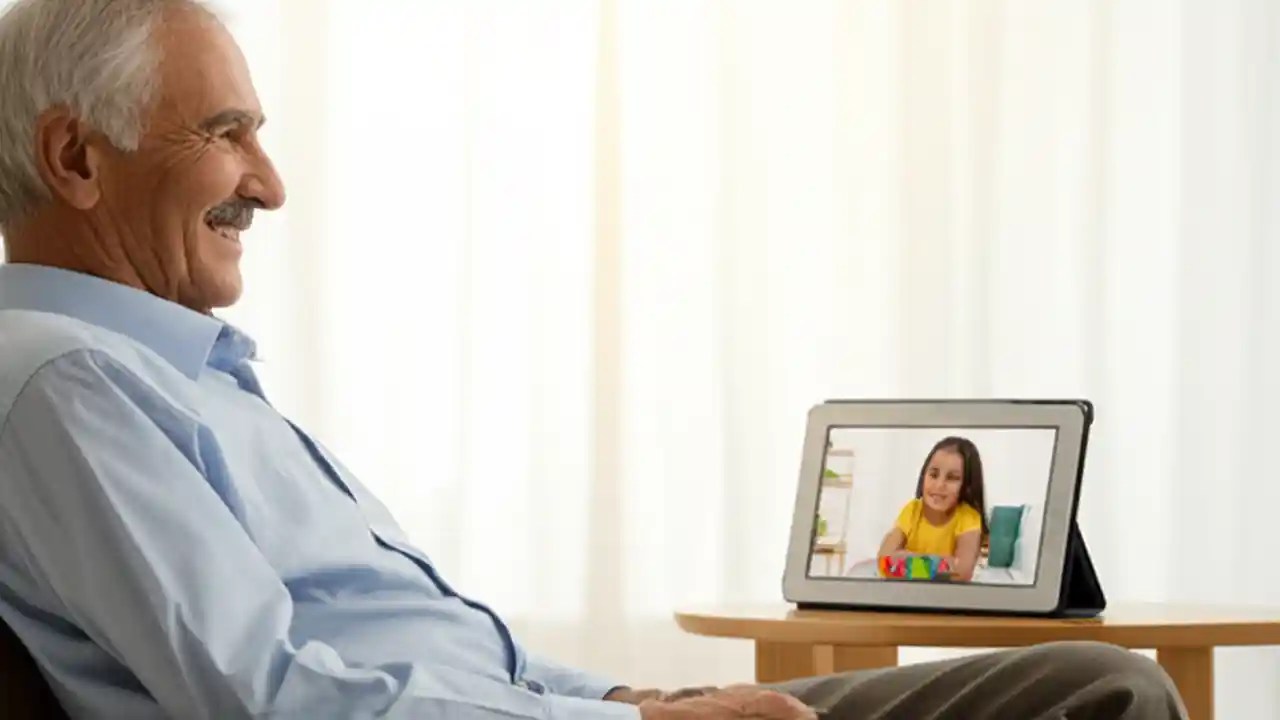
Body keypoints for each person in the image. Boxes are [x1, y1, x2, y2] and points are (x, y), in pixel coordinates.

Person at [0, 1, 1186, 718]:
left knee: (1087, 686)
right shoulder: (69, 382)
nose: (268, 183)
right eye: (224, 133)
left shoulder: (177, 374)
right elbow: (263, 696)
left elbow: (406, 646)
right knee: (1097, 695)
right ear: (76, 159)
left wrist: (621, 697)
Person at [877, 437, 987, 583]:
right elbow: (884, 562)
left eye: (952, 478)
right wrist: (943, 565)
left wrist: (906, 560)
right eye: (933, 475)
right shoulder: (912, 510)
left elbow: (962, 572)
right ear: (924, 475)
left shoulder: (968, 517)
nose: (939, 485)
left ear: (966, 486)